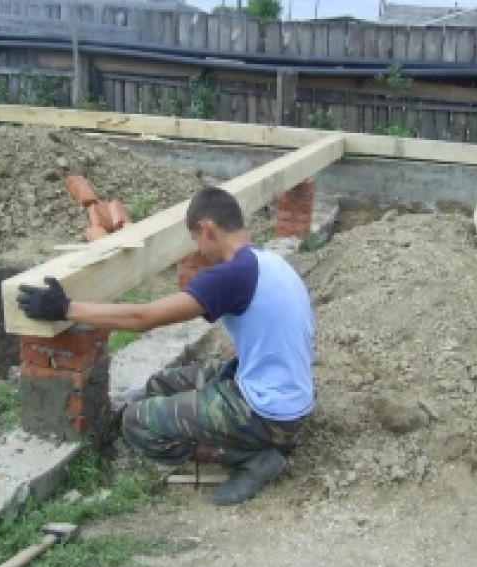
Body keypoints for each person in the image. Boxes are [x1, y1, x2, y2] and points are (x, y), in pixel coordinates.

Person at [17, 186, 315, 505]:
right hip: (290, 393)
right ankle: (239, 430)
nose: (199, 250)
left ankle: (250, 458)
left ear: (206, 228)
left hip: (269, 412)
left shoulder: (232, 275)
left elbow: (143, 316)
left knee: (136, 423)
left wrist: (66, 309)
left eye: (195, 240)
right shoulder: (268, 261)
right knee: (161, 383)